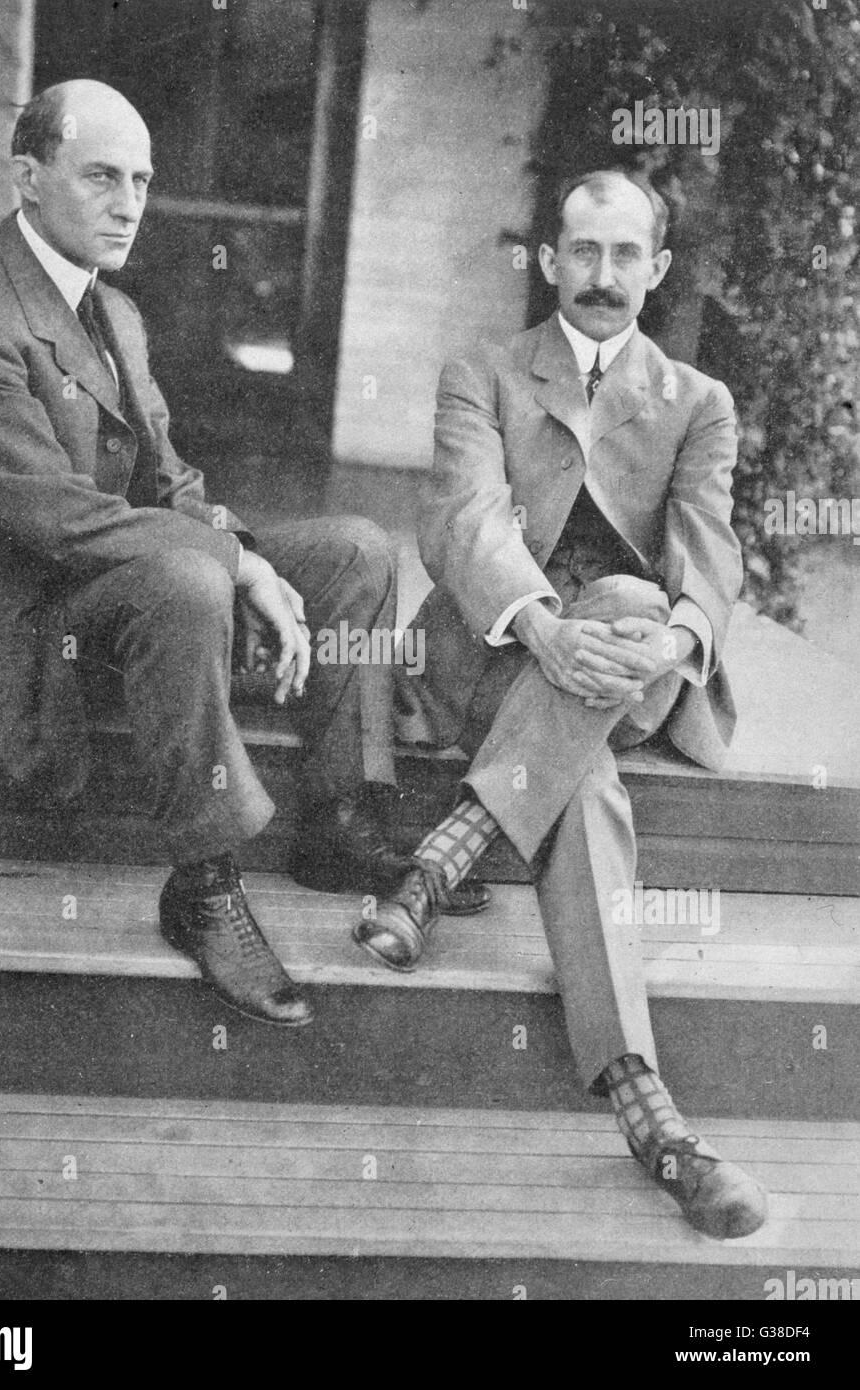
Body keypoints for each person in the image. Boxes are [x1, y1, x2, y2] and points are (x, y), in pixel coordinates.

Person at [0, 79, 419, 1030]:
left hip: (125, 594)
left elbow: (169, 480)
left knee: (356, 548)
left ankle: (337, 822)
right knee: (191, 575)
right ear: (26, 177)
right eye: (102, 176)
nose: (130, 202)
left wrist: (232, 543)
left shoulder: (117, 313)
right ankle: (206, 883)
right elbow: (55, 520)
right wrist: (235, 562)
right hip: (27, 637)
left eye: (141, 179)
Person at [356, 169, 768, 1239]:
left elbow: (710, 559)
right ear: (547, 262)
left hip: (630, 671)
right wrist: (544, 626)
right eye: (581, 252)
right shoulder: (483, 373)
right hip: (498, 653)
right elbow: (464, 522)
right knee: (580, 782)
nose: (602, 276)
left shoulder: (697, 403)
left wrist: (671, 636)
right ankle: (651, 1111)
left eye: (626, 254)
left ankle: (446, 852)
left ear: (657, 269)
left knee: (639, 597)